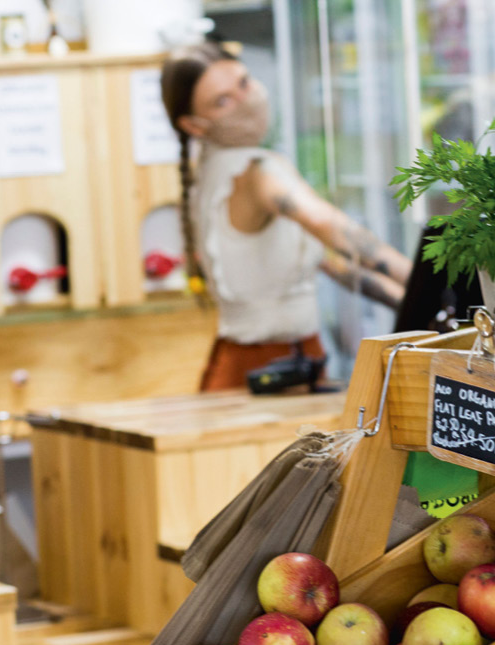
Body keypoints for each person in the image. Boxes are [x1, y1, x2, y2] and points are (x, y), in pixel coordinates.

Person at [161, 43, 412, 391]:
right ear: (194, 124)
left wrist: (418, 302)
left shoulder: (210, 174)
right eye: (223, 101)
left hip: (279, 365)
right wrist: (430, 282)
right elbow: (330, 226)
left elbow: (331, 262)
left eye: (244, 83)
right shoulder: (255, 170)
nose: (246, 100)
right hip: (267, 371)